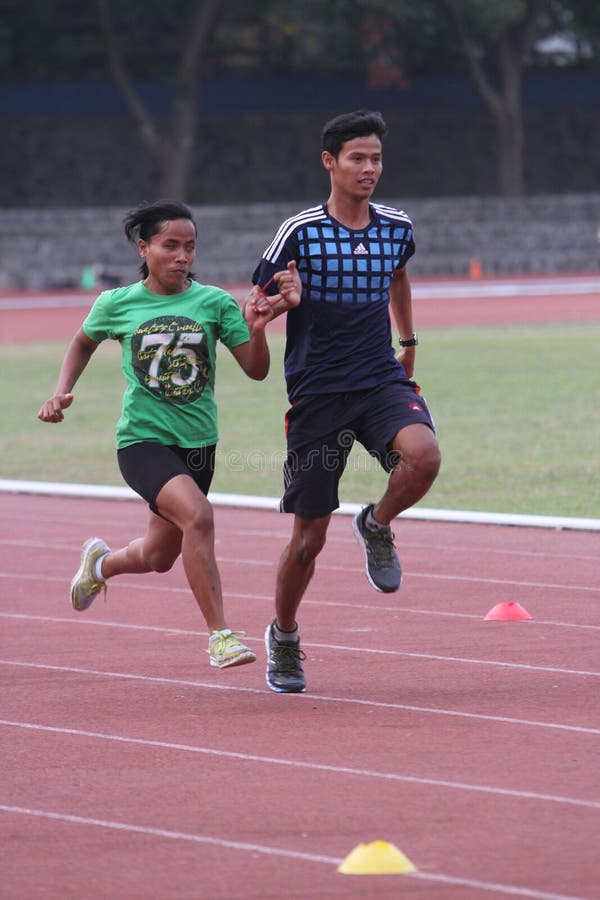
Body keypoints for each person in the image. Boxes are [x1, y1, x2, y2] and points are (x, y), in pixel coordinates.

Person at [38, 199, 295, 670]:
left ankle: (100, 564)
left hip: (199, 444)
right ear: (145, 247)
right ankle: (220, 637)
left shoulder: (214, 302)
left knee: (159, 556)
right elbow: (82, 341)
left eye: (190, 248)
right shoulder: (116, 303)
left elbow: (257, 371)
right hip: (142, 441)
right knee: (198, 516)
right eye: (170, 246)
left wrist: (257, 329)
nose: (182, 257)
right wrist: (61, 391)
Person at [251, 110, 442, 693]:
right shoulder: (299, 232)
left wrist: (407, 340)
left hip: (379, 378)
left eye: (377, 159)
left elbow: (399, 278)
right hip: (317, 394)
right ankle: (283, 637)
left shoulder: (396, 226)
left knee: (424, 457)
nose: (369, 169)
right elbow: (253, 305)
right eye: (357, 158)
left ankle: (376, 522)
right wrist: (279, 304)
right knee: (308, 541)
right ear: (329, 162)